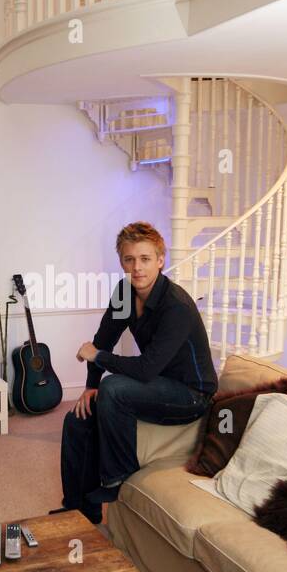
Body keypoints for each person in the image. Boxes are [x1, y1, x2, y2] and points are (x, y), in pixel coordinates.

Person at [58, 222, 216, 524]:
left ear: (160, 260)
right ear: (122, 262)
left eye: (145, 259)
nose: (137, 268)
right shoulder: (124, 293)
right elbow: (103, 340)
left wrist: (99, 359)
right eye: (129, 259)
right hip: (157, 384)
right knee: (77, 417)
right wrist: (91, 386)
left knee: (115, 388)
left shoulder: (176, 306)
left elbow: (144, 369)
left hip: (191, 395)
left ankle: (117, 477)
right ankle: (78, 509)